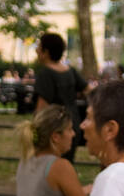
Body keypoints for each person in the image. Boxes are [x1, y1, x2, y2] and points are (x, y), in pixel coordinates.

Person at [33, 32, 87, 163]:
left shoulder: (45, 74)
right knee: (66, 164)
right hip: (72, 125)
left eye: (39, 47)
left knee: (50, 167)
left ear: (46, 52)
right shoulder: (70, 71)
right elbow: (89, 90)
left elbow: (42, 108)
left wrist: (34, 130)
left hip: (54, 129)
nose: (36, 50)